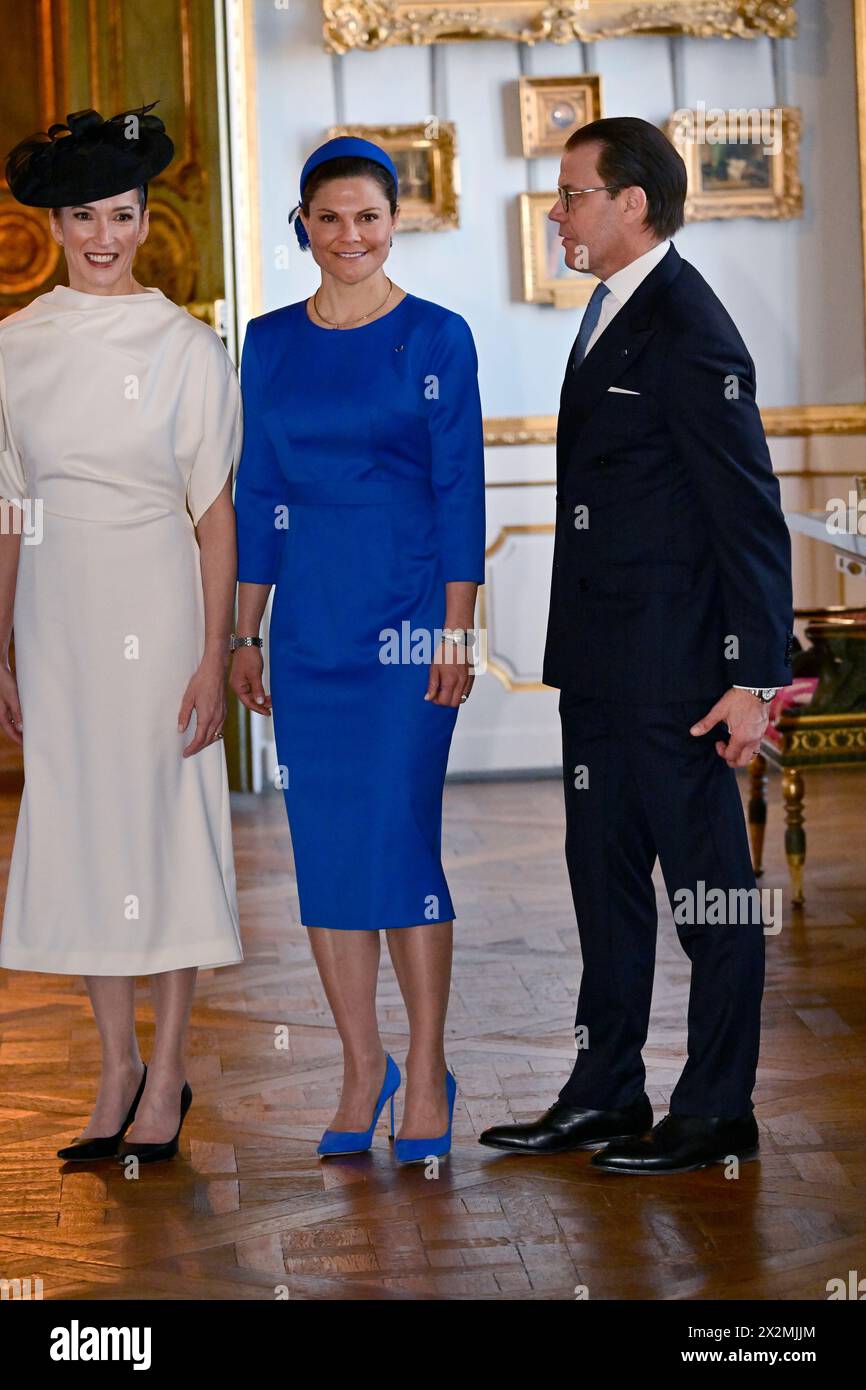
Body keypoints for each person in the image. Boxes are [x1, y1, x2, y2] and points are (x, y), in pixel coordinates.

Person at [479, 116, 793, 1174]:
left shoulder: (690, 325)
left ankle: (713, 1111)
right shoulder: (615, 308)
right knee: (602, 885)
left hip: (680, 680)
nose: (555, 211)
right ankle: (605, 1091)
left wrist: (753, 675)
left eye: (570, 194)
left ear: (632, 205)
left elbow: (746, 509)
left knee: (711, 897)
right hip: (602, 672)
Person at [231, 137, 485, 1164]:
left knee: (397, 840)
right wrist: (243, 628)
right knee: (326, 850)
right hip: (308, 628)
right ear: (304, 225)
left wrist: (458, 624)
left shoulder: (437, 337)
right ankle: (357, 1062)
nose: (349, 236)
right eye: (329, 218)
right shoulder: (268, 341)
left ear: (395, 223)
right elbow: (258, 494)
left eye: (368, 218)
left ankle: (425, 1068)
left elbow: (461, 488)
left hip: (411, 612)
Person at [0, 104, 243, 1165]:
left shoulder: (187, 347)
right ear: (54, 224)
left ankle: (172, 1067)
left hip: (159, 606)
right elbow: (9, 507)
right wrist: (0, 648)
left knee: (163, 827)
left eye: (124, 214)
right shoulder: (13, 347)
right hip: (57, 614)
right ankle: (113, 1066)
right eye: (85, 216)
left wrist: (212, 650)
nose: (105, 235)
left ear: (149, 220)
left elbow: (214, 514)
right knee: (85, 830)